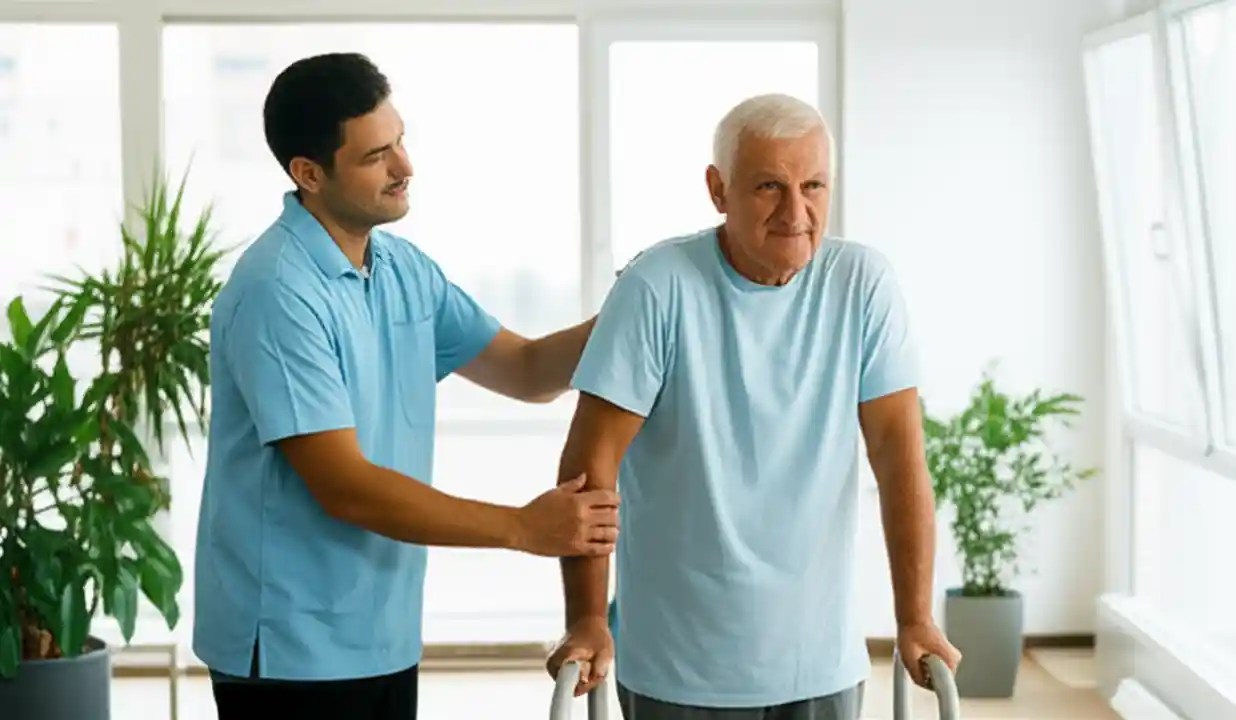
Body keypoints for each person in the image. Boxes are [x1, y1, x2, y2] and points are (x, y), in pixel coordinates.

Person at [192, 52, 619, 719]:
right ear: (308, 173)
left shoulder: (401, 269)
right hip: (289, 652)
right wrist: (522, 528)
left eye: (401, 141)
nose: (405, 167)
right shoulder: (278, 292)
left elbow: (530, 370)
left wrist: (633, 314)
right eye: (375, 156)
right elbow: (345, 487)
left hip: (381, 635)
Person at [544, 93, 962, 719]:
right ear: (719, 189)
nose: (797, 211)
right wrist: (585, 618)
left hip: (820, 663)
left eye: (814, 186)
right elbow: (589, 468)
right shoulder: (657, 286)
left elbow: (900, 460)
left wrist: (917, 617)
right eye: (770, 186)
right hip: (676, 666)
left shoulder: (863, 285)